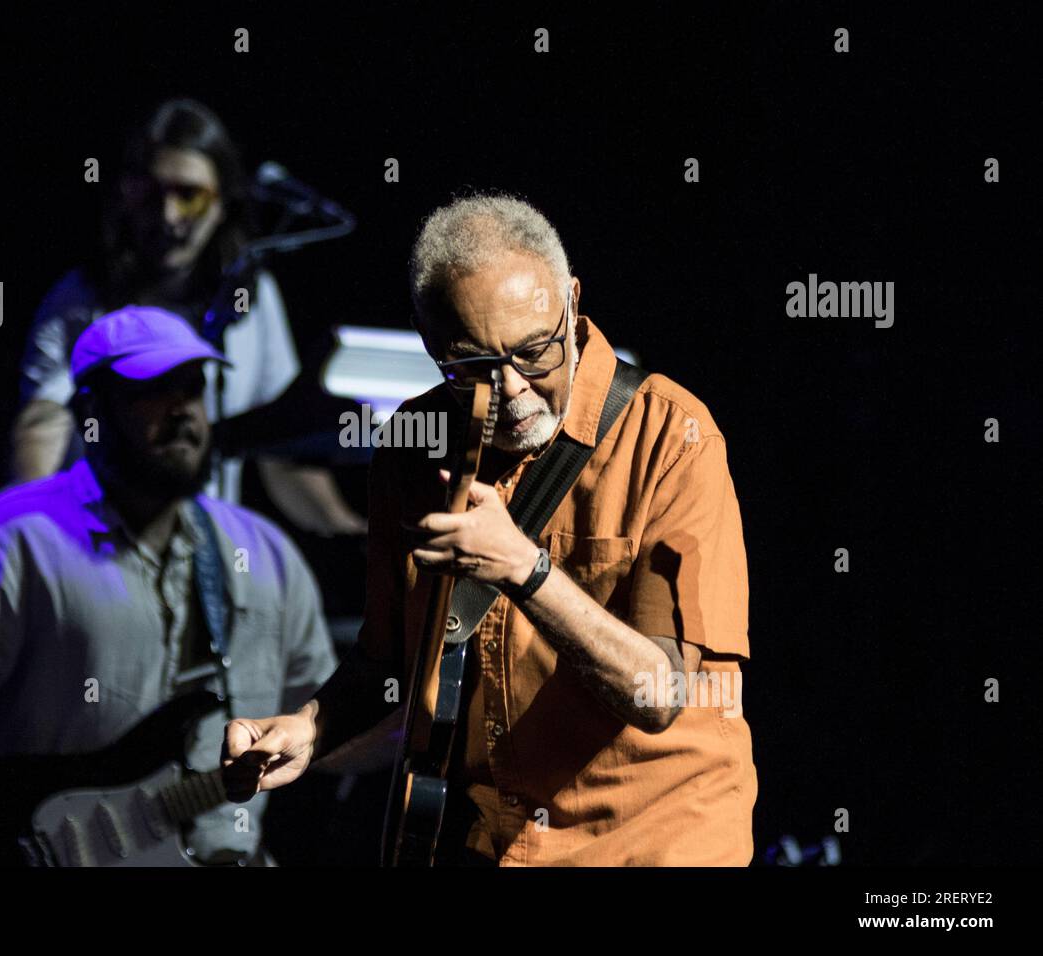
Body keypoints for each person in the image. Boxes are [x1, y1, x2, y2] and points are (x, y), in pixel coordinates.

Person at [221, 193, 758, 866]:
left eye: (534, 353)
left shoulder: (672, 437)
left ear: (572, 301)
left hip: (652, 842)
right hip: (498, 844)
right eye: (470, 366)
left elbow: (663, 695)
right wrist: (308, 728)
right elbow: (387, 661)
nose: (510, 390)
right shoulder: (414, 447)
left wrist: (526, 571)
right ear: (428, 341)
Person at [0, 306, 337, 866]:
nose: (182, 409)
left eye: (193, 387)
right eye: (153, 390)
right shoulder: (12, 536)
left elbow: (329, 718)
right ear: (92, 409)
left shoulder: (266, 553)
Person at [12, 97, 365, 536]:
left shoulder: (251, 300)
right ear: (125, 194)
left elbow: (277, 451)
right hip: (103, 546)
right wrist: (32, 531)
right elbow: (44, 422)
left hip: (207, 554)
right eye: (149, 194)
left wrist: (349, 529)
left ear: (223, 202)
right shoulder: (81, 298)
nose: (168, 216)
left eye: (190, 196)